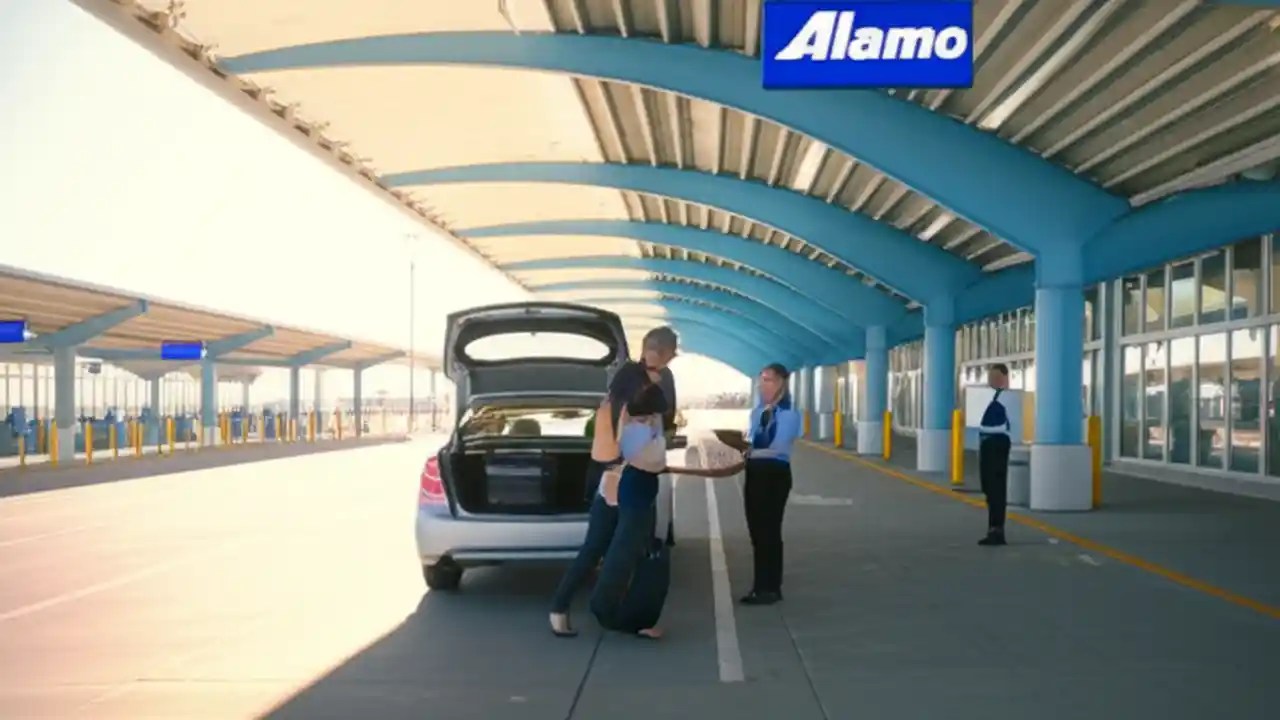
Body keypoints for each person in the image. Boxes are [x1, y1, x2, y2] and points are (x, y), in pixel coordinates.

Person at [548, 327, 680, 637]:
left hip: (607, 478)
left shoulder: (620, 383)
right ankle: (625, 618)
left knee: (594, 547)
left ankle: (559, 607)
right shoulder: (649, 389)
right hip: (635, 482)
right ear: (666, 354)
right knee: (630, 554)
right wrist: (663, 446)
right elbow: (642, 446)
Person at [739, 363, 802, 606]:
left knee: (769, 531)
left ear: (781, 384)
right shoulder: (757, 413)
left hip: (774, 474)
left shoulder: (789, 415)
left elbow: (778, 448)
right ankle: (760, 585)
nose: (762, 385)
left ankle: (771, 587)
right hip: (755, 472)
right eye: (761, 380)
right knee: (756, 531)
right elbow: (753, 441)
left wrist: (751, 451)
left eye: (768, 380)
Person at [978, 363, 1012, 547]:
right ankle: (992, 528)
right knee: (988, 486)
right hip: (986, 443)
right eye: (991, 377)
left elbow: (1007, 425)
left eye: (996, 377)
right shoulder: (988, 397)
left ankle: (997, 530)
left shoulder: (1007, 398)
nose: (993, 380)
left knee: (997, 487)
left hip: (998, 444)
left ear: (1005, 379)